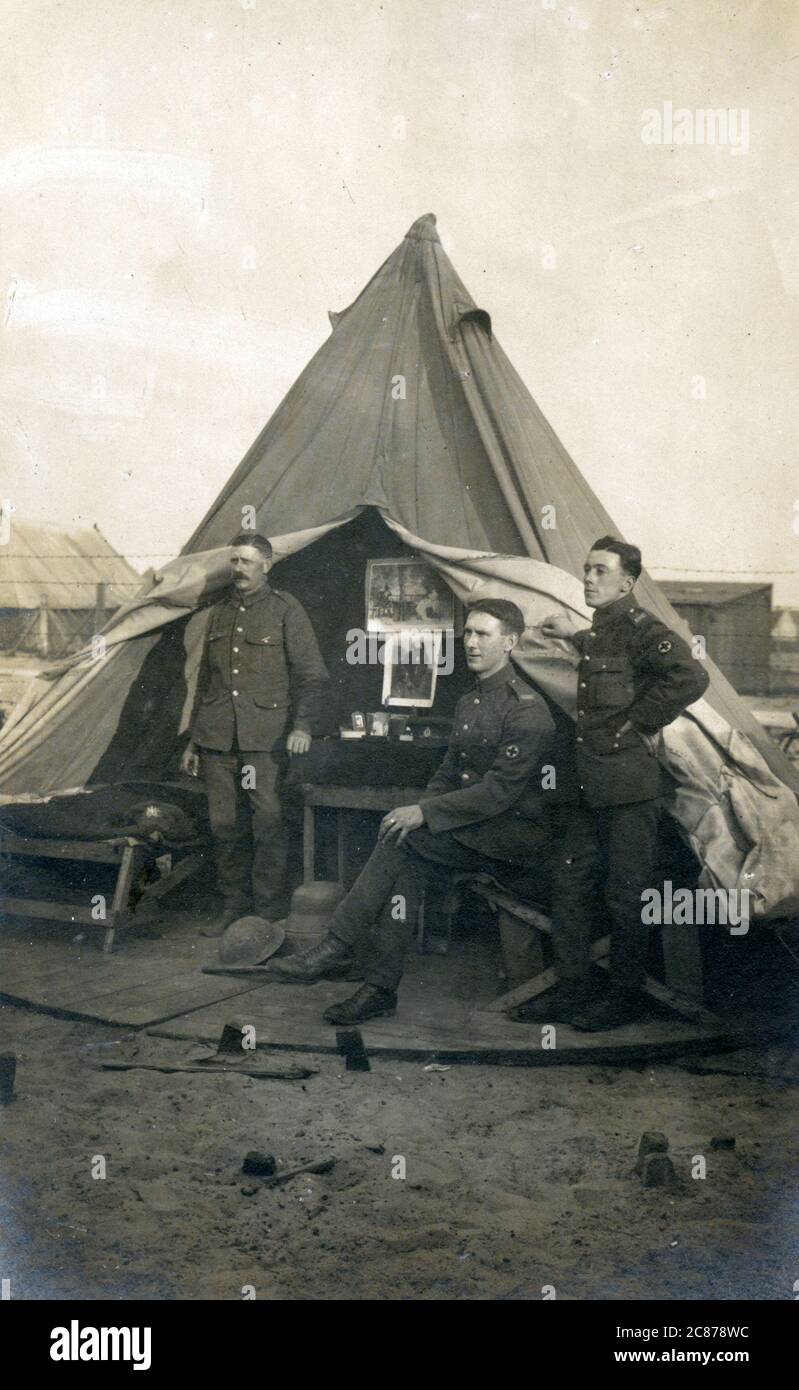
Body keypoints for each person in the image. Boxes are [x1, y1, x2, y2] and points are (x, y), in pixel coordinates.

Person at [269, 599, 562, 1025]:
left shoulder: (527, 709)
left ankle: (339, 947)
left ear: (511, 642)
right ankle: (377, 989)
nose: (472, 643)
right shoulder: (470, 701)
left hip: (513, 839)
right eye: (468, 634)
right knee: (403, 848)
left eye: (484, 634)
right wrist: (421, 808)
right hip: (473, 830)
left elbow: (500, 792)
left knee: (408, 840)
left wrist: (425, 815)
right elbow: (447, 771)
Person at [526, 535, 710, 1031]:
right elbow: (605, 652)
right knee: (569, 885)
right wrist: (571, 633)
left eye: (600, 571)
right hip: (588, 786)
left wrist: (640, 721)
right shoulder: (603, 630)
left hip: (629, 788)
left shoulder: (642, 627)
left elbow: (690, 677)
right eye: (586, 569)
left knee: (626, 895)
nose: (588, 578)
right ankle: (572, 989)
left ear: (627, 582)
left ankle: (624, 996)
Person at [180, 532, 328, 936]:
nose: (238, 569)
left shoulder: (285, 610)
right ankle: (233, 908)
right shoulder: (219, 612)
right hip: (217, 740)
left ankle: (266, 912)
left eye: (246, 561)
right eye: (235, 561)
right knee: (224, 825)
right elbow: (208, 684)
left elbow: (312, 675)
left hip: (265, 741)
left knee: (268, 824)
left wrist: (302, 726)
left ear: (267, 564)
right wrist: (195, 739)